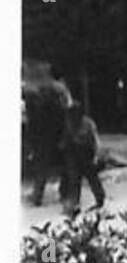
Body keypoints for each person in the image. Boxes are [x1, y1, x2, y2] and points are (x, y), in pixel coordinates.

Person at [25, 73, 71, 206]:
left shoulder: (39, 107)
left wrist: (32, 142)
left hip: (44, 139)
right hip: (58, 137)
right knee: (65, 166)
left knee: (42, 168)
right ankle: (64, 193)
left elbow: (33, 126)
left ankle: (37, 196)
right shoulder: (61, 102)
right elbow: (67, 116)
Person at [60, 99, 106, 216]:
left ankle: (100, 198)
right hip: (73, 155)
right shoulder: (68, 123)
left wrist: (97, 155)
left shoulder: (88, 123)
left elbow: (95, 140)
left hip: (86, 154)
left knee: (92, 178)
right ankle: (74, 204)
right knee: (74, 180)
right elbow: (64, 140)